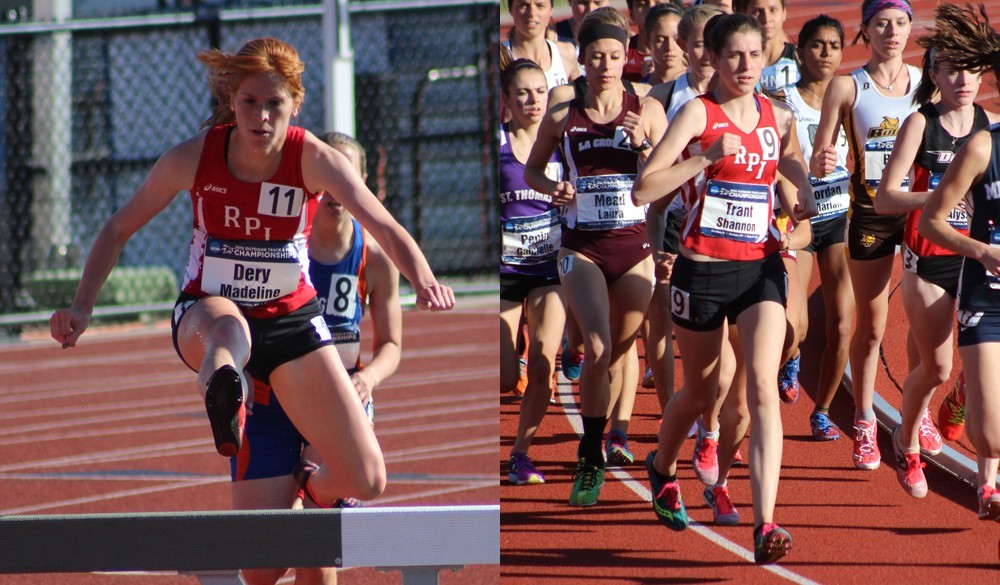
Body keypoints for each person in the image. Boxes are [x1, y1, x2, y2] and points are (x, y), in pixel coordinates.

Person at [49, 38, 455, 512]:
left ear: (296, 105)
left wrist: (424, 279)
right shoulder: (194, 158)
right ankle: (226, 388)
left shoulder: (314, 158)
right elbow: (120, 227)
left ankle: (311, 488)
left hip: (291, 319)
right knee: (230, 330)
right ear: (231, 101)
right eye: (249, 102)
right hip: (208, 308)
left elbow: (382, 224)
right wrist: (82, 305)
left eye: (274, 104)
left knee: (367, 480)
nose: (262, 116)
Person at [633, 12, 816, 563]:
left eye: (753, 54)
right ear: (711, 57)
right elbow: (646, 188)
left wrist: (799, 199)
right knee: (701, 392)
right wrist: (702, 158)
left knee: (762, 386)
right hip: (701, 271)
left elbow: (791, 175)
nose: (744, 65)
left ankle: (766, 525)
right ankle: (662, 467)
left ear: (766, 57)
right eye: (733, 54)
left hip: (759, 268)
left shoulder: (777, 116)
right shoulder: (696, 114)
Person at [230, 131, 402, 585]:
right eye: (328, 180)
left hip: (337, 396)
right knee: (260, 570)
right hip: (270, 403)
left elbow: (391, 346)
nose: (336, 193)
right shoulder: (279, 247)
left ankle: (317, 488)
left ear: (367, 185)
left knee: (318, 548)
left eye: (349, 179)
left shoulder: (374, 258)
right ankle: (304, 497)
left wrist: (369, 380)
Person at [525, 6, 667, 506]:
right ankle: (591, 455)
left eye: (614, 56)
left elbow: (664, 184)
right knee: (602, 349)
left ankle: (602, 416)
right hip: (581, 247)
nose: (606, 65)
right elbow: (532, 172)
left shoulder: (646, 108)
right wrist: (554, 190)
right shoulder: (564, 111)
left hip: (633, 247)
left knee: (621, 351)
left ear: (627, 57)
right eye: (595, 57)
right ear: (581, 59)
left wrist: (645, 145)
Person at [874, 41, 997, 497]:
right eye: (951, 71)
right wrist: (941, 197)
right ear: (934, 74)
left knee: (986, 361)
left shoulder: (986, 126)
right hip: (929, 262)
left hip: (975, 257)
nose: (963, 80)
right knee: (935, 368)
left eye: (971, 70)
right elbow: (885, 199)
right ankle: (906, 443)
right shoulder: (920, 123)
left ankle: (966, 399)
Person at [810, 0, 920, 471]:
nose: (892, 32)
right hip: (872, 216)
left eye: (899, 23)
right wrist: (824, 161)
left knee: (927, 314)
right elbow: (820, 152)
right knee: (872, 326)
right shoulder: (846, 86)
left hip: (918, 213)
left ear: (910, 29)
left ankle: (919, 416)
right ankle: (863, 419)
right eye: (882, 24)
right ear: (866, 32)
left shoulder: (925, 82)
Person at [918, 1, 1000, 523]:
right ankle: (969, 391)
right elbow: (931, 221)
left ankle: (990, 487)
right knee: (989, 433)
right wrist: (983, 251)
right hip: (985, 292)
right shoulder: (983, 147)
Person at [776, 15, 852, 439]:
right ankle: (790, 358)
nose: (826, 53)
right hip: (797, 219)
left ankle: (821, 411)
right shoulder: (783, 103)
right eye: (818, 45)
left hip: (838, 221)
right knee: (796, 328)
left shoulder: (850, 100)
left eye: (834, 45)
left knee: (843, 324)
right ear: (800, 51)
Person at [499, 59, 567, 485]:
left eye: (540, 91)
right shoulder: (498, 145)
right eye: (522, 92)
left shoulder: (561, 144)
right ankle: (514, 355)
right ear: (506, 100)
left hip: (549, 269)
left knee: (544, 362)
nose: (533, 100)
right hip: (506, 272)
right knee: (506, 377)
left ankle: (521, 453)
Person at [504, 0, 580, 89]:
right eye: (523, 5)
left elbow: (582, 97)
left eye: (540, 5)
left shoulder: (566, 53)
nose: (532, 13)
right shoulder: (501, 57)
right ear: (510, 9)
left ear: (551, 9)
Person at [737, 0, 798, 92]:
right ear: (745, 14)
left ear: (784, 13)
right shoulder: (735, 60)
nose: (766, 19)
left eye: (773, 10)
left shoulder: (800, 58)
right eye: (757, 11)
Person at [623, 0, 675, 83]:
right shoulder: (621, 53)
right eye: (642, 4)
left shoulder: (687, 50)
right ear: (631, 13)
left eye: (658, 3)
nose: (651, 8)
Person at [642, 3, 686, 85]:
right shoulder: (638, 91)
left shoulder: (699, 86)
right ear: (647, 42)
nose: (670, 47)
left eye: (676, 39)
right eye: (661, 40)